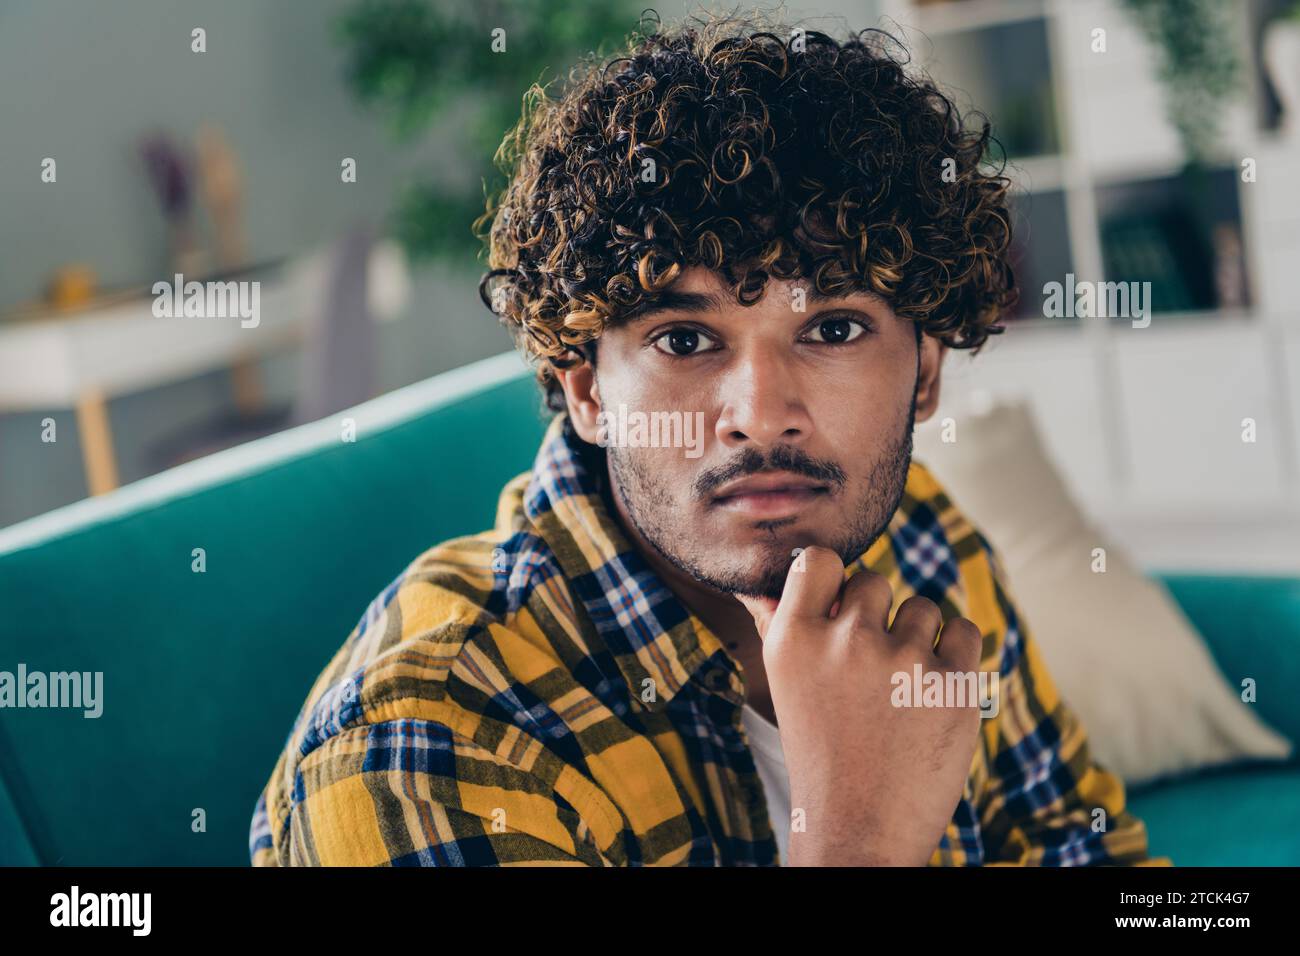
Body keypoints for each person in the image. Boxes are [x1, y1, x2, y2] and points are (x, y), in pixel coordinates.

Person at [250, 10, 1159, 866]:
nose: (762, 415)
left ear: (923, 374)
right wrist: (858, 839)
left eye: (834, 328)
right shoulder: (422, 745)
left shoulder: (924, 537)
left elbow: (1078, 844)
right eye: (684, 340)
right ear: (588, 392)